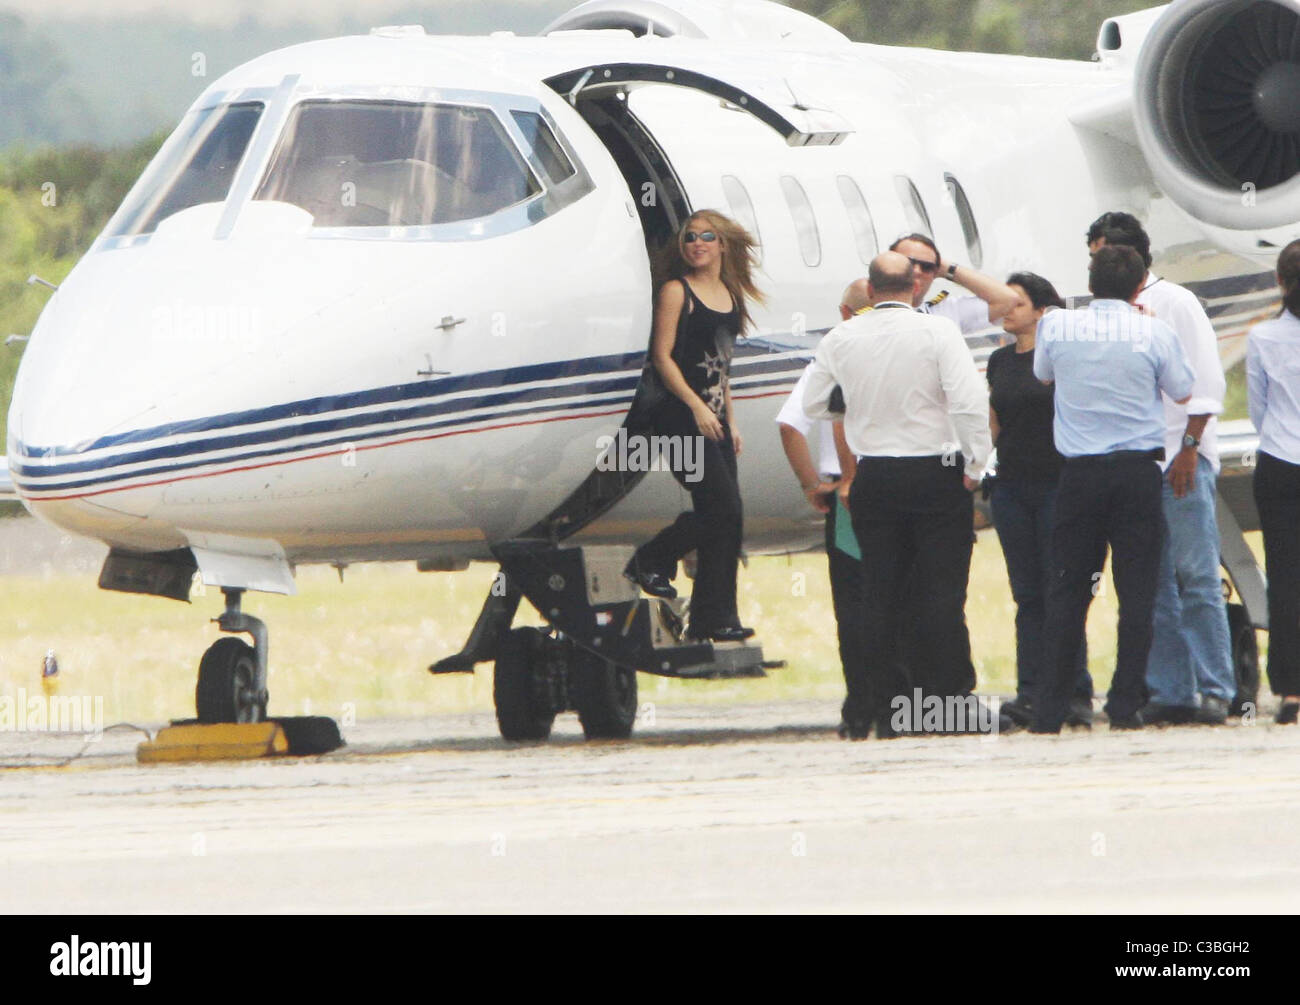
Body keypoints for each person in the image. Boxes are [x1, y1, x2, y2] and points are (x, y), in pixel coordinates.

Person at [804, 252, 993, 737]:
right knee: (941, 593)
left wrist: (861, 409)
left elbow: (816, 404)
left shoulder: (842, 338)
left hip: (875, 478)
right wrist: (975, 464)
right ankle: (946, 703)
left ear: (869, 290)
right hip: (936, 473)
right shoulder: (937, 333)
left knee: (880, 595)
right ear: (914, 287)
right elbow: (969, 402)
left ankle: (890, 709)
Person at [1029, 246, 1196, 733]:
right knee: (1138, 591)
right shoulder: (1153, 331)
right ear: (1140, 285)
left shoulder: (1057, 325)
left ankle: (1051, 708)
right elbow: (1183, 389)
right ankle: (1125, 703)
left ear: (1090, 279)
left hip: (1079, 474)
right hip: (1136, 474)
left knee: (1067, 591)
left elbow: (1043, 374)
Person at [1087, 212, 1235, 725]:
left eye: (1103, 253)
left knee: (1195, 575)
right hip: (1133, 464)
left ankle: (1217, 687)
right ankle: (1173, 690)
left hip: (1181, 458)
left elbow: (1207, 386)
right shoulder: (1102, 312)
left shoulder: (1176, 303)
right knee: (1152, 583)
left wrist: (1190, 449)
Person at [625, 210, 764, 643]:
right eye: (689, 238)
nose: (697, 244)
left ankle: (714, 618)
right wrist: (696, 407)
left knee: (729, 516)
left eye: (706, 237)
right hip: (678, 416)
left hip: (715, 419)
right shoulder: (675, 292)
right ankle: (649, 559)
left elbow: (723, 367)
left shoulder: (730, 294)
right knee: (719, 509)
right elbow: (663, 358)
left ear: (722, 244)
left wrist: (730, 419)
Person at [987, 272, 1093, 727]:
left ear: (1042, 310)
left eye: (1017, 304)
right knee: (1027, 593)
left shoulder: (1064, 356)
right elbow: (994, 419)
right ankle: (1030, 689)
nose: (1006, 311)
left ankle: (1074, 691)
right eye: (1003, 304)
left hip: (1057, 483)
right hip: (1011, 485)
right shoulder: (998, 360)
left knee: (1062, 589)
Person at [776, 279, 870, 737]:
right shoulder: (915, 344)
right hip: (904, 487)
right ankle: (911, 699)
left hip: (849, 501)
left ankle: (861, 706)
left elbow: (791, 424)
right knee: (910, 596)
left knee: (854, 606)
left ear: (843, 312)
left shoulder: (830, 357)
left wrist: (813, 483)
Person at [1246, 239, 1300, 724]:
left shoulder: (1263, 338)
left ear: (1280, 284)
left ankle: (1289, 689)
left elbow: (1259, 410)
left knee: (1285, 578)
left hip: (1281, 461)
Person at [889, 233, 1019, 332]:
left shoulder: (944, 314)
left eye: (927, 267)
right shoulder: (870, 309)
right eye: (909, 263)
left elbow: (1008, 299)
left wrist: (948, 269)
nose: (917, 271)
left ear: (935, 273)